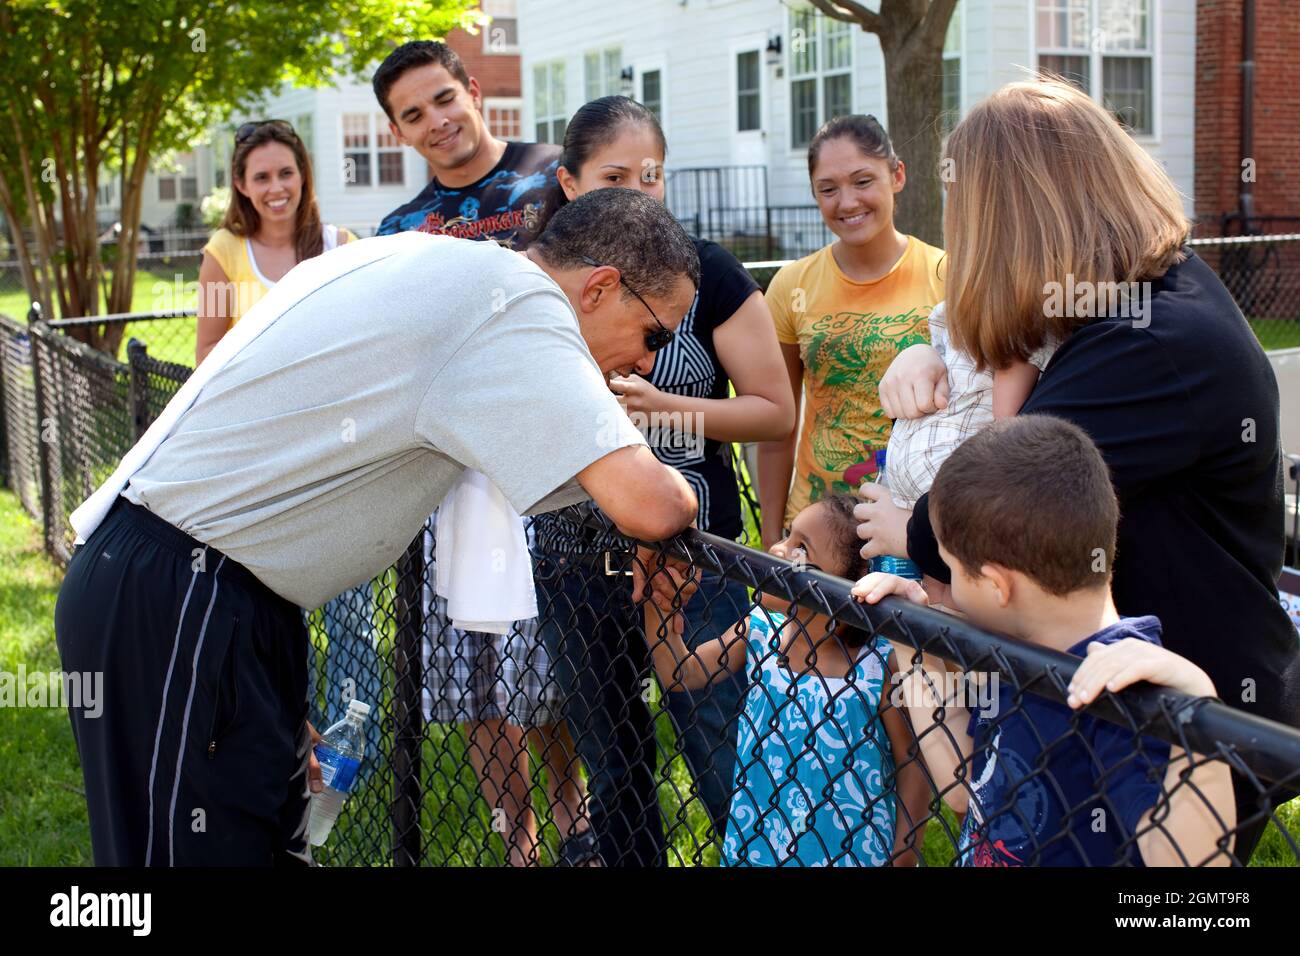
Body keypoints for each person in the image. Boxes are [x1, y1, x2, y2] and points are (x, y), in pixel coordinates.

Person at [54, 188, 701, 866]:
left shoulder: (447, 269)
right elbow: (650, 503)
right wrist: (671, 520)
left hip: (203, 592)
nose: (649, 363)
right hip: (182, 598)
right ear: (599, 288)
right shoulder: (516, 303)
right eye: (655, 333)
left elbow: (604, 488)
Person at [853, 79, 1300, 861]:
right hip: (1102, 697)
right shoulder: (1132, 307)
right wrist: (925, 348)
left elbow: (1004, 498)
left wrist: (911, 529)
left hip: (1175, 719)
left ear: (1017, 220)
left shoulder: (1151, 342)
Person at [530, 96, 795, 865]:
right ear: (571, 185)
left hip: (695, 555)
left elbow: (775, 412)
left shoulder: (704, 271)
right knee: (613, 759)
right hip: (573, 550)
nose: (640, 192)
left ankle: (760, 853)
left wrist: (667, 410)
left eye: (653, 176)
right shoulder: (546, 284)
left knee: (722, 750)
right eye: (617, 175)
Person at [371, 40, 582, 865]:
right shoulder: (400, 230)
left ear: (473, 89)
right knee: (471, 677)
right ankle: (517, 843)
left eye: (442, 99)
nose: (436, 123)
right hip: (451, 476)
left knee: (548, 667)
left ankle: (577, 823)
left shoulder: (556, 177)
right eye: (412, 115)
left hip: (553, 456)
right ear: (397, 131)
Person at [855, 415, 1237, 866]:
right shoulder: (1015, 648)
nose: (947, 585)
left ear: (997, 586)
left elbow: (1188, 865)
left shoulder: (1121, 687)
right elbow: (964, 786)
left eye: (950, 569)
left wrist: (1195, 721)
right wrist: (911, 638)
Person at [192, 120, 380, 763]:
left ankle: (351, 748)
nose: (277, 188)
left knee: (351, 612)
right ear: (242, 186)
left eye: (286, 173)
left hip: (338, 455)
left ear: (304, 174)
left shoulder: (339, 243)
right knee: (275, 610)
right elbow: (208, 357)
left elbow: (363, 344)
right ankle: (284, 740)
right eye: (261, 177)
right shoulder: (224, 250)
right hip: (264, 464)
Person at [644, 493, 929, 866]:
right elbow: (681, 674)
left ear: (845, 584)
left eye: (800, 550)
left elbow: (911, 760)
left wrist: (905, 849)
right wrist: (658, 606)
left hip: (850, 850)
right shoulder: (760, 630)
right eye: (786, 535)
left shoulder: (876, 665)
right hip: (760, 838)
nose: (777, 550)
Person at [757, 114, 945, 550]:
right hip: (816, 530)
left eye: (863, 181)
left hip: (915, 526)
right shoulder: (791, 285)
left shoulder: (945, 275)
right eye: (828, 189)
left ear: (896, 176)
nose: (847, 202)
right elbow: (778, 423)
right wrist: (771, 538)